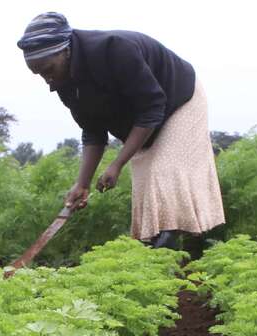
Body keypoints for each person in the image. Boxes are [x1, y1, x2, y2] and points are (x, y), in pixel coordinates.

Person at [17, 12, 225, 250]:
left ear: (64, 51)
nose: (47, 79)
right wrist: (82, 183)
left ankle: (175, 249)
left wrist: (117, 164)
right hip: (144, 116)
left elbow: (152, 106)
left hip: (179, 100)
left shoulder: (114, 50)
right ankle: (168, 248)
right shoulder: (64, 83)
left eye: (48, 69)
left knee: (162, 173)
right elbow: (93, 131)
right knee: (147, 185)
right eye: (39, 74)